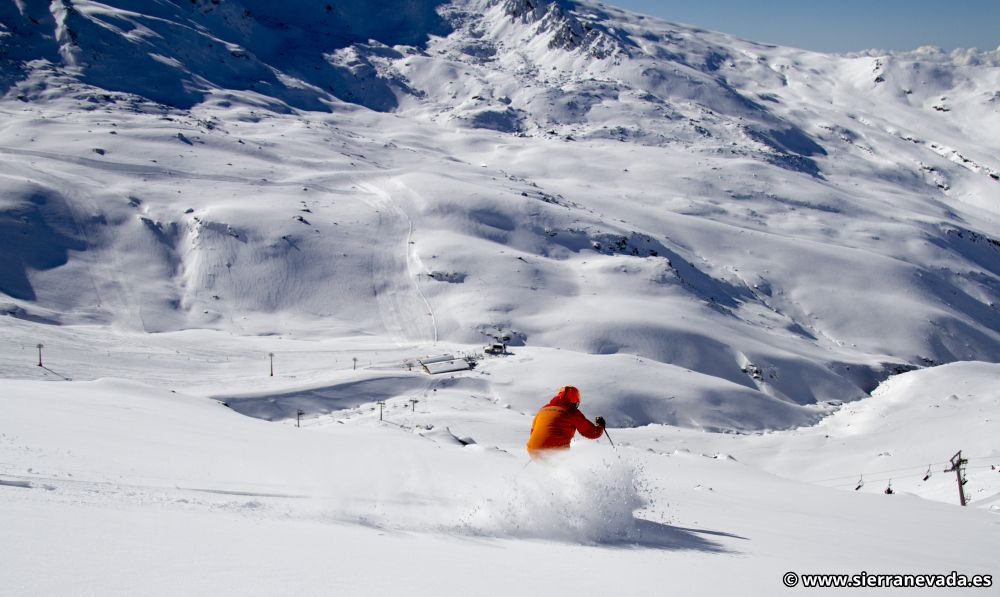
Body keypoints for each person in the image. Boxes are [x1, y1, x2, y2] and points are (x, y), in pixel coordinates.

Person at [525, 385, 606, 458]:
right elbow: (592, 432)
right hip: (555, 451)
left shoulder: (542, 410)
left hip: (532, 449)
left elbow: (533, 432)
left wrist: (539, 446)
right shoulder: (572, 411)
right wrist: (600, 425)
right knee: (572, 469)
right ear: (575, 401)